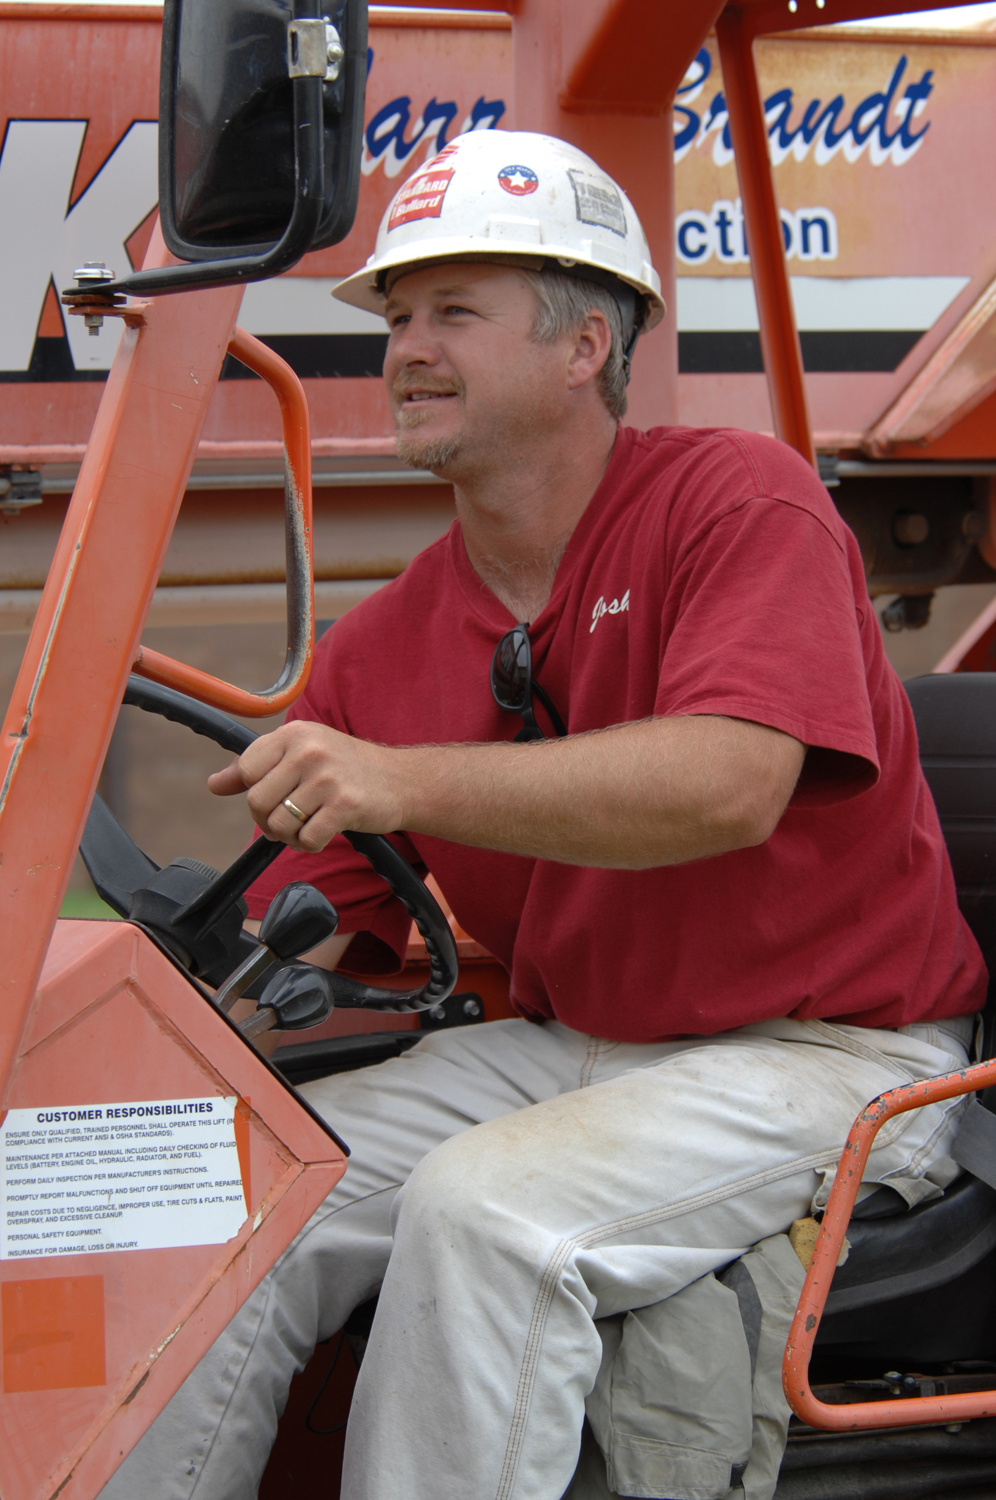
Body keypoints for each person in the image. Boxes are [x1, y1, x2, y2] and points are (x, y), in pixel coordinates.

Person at [103, 130, 985, 1500]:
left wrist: (403, 778)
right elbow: (309, 930)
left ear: (587, 345)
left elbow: (727, 784)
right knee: (237, 1192)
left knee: (485, 1213)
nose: (406, 348)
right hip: (574, 1044)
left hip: (836, 1056)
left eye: (455, 311)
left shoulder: (740, 505)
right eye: (398, 317)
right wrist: (129, 1064)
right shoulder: (386, 643)